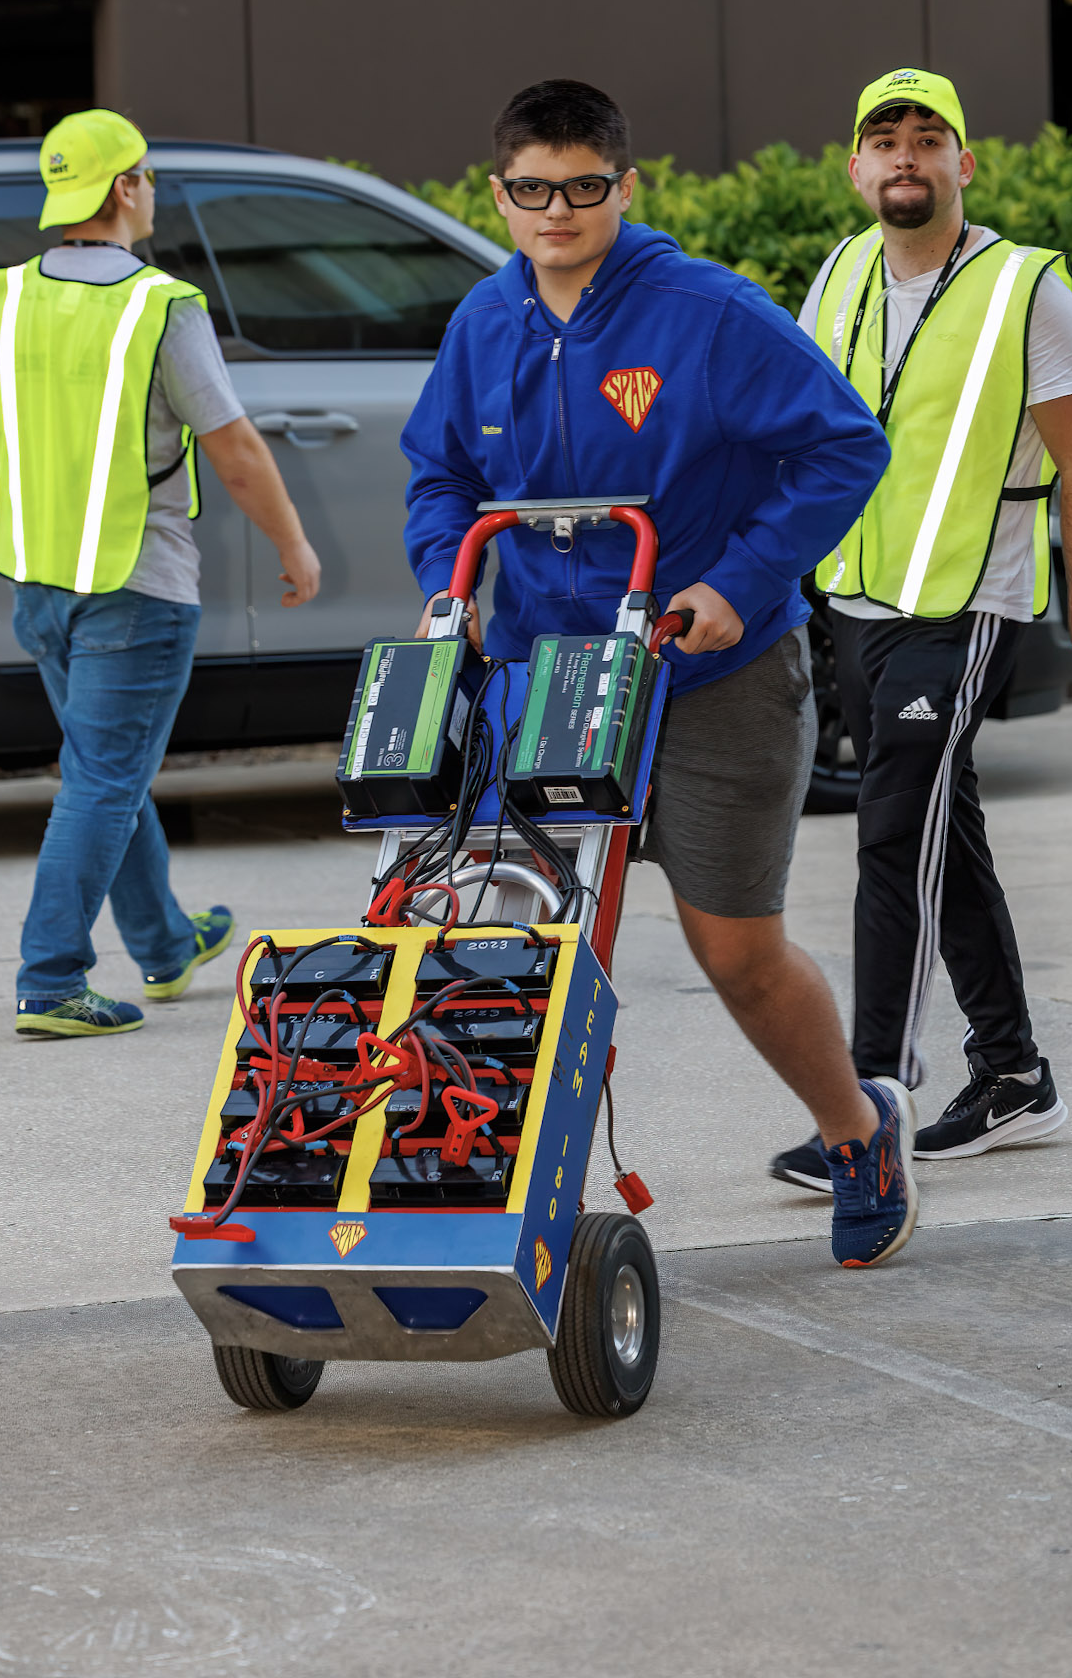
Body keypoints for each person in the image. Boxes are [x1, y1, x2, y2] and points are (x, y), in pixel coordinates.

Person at [401, 76, 917, 1268]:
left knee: (733, 950)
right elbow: (438, 473)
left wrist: (735, 585)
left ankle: (856, 1127)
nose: (557, 212)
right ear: (501, 194)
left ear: (625, 187)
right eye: (532, 191)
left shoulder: (708, 312)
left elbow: (846, 447)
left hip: (705, 670)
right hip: (548, 671)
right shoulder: (485, 323)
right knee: (503, 933)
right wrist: (451, 580)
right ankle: (469, 1171)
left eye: (584, 188)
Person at [772, 66, 1072, 1190]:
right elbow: (799, 432)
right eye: (883, 140)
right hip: (861, 600)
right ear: (854, 169)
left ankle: (866, 1101)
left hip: (967, 604)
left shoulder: (1026, 288)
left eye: (927, 139)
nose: (904, 157)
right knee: (946, 830)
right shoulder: (839, 273)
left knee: (893, 832)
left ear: (963, 164)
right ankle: (1015, 1074)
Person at [0, 109, 320, 1040]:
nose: (150, 188)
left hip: (42, 582)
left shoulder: (4, 297)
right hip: (138, 587)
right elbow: (233, 450)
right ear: (125, 189)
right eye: (145, 174)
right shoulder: (161, 306)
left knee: (107, 766)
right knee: (104, 778)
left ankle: (164, 940)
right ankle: (51, 978)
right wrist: (294, 546)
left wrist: (33, 508)